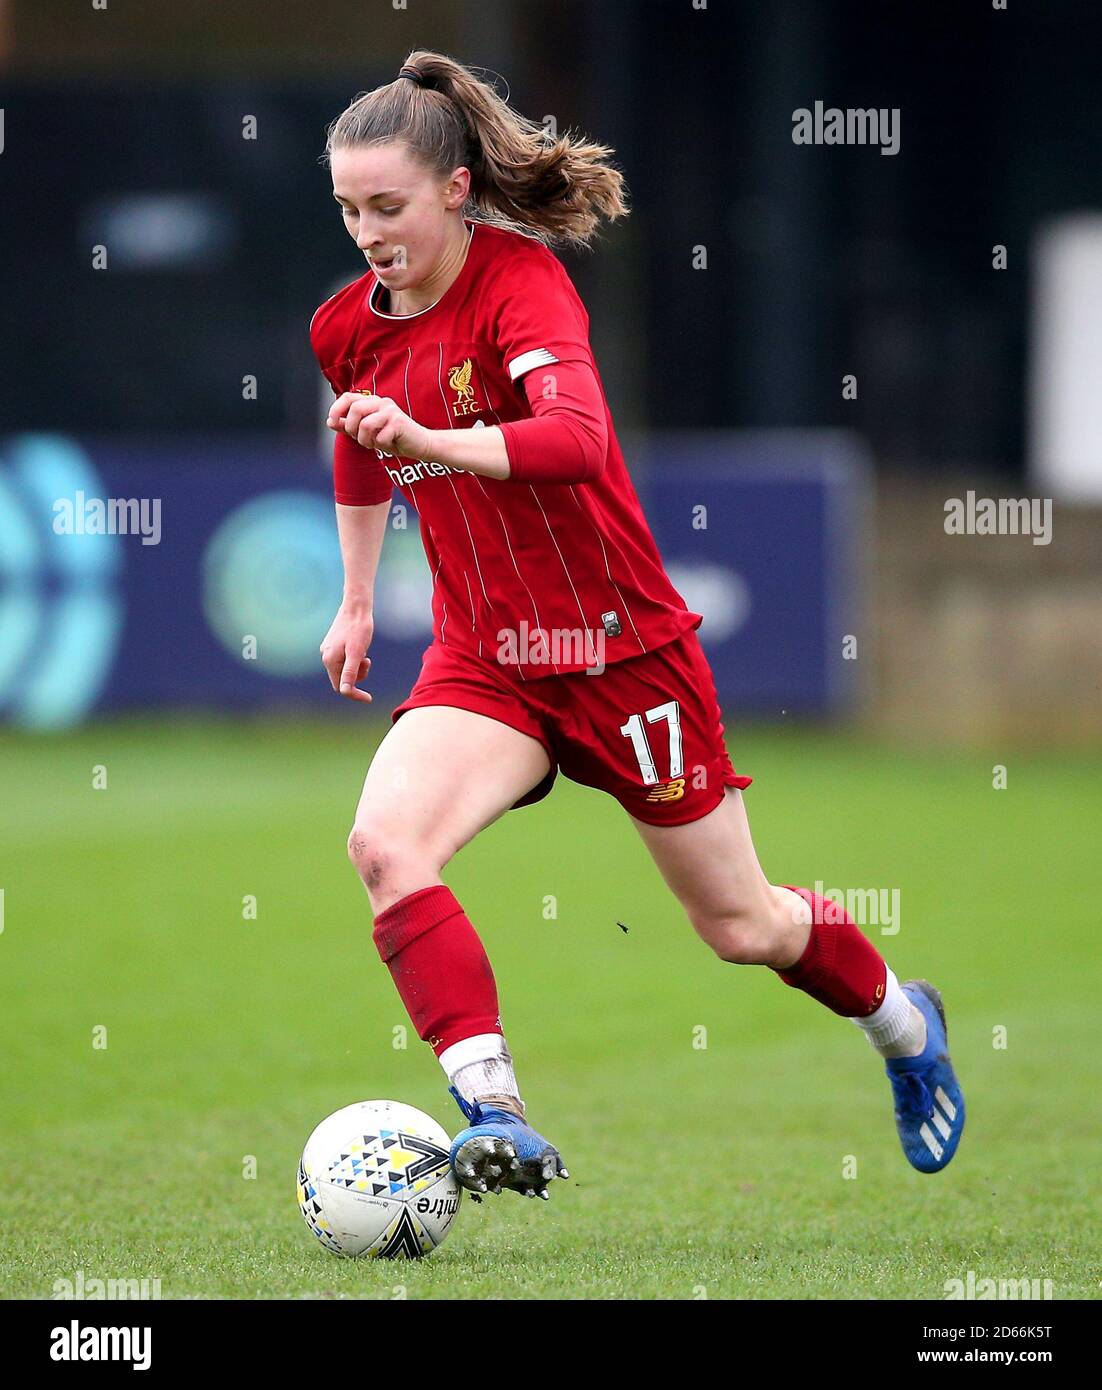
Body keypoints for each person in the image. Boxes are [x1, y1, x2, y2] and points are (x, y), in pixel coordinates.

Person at [310, 50, 965, 1200]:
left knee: (741, 925)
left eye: (388, 206)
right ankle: (494, 1112)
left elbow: (577, 443)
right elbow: (357, 445)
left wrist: (430, 440)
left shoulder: (521, 285)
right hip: (487, 664)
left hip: (622, 656)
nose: (368, 231)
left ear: (456, 190)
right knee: (385, 846)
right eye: (349, 208)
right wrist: (358, 595)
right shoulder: (344, 326)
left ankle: (906, 1027)